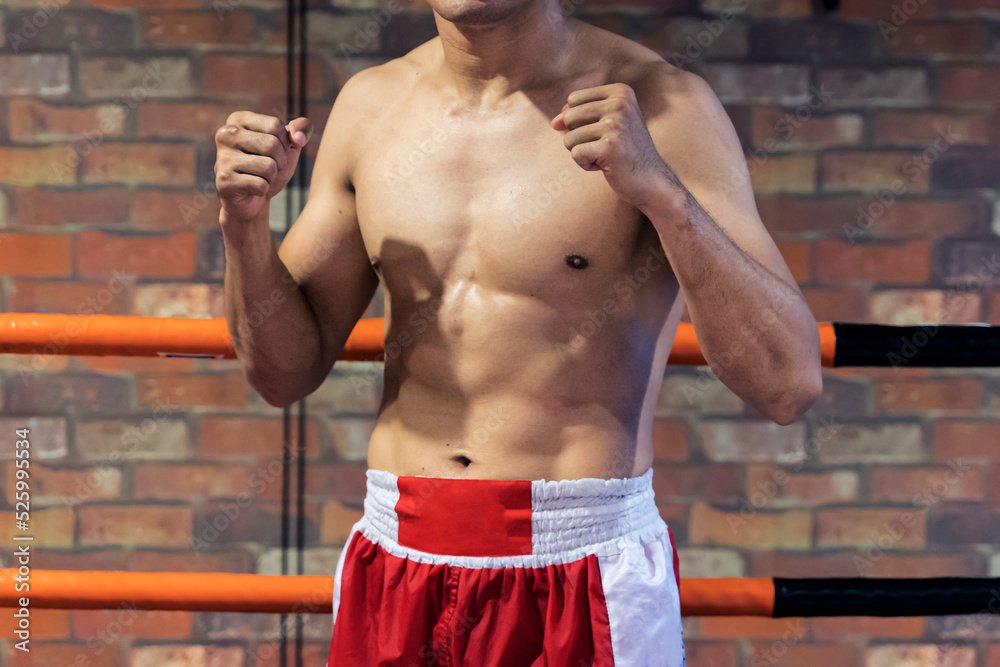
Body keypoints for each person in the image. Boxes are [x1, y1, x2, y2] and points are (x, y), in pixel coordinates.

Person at [214, 2, 823, 665]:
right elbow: (282, 374)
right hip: (399, 555)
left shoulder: (663, 104)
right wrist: (244, 226)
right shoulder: (371, 107)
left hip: (579, 567)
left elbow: (787, 383)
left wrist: (664, 196)